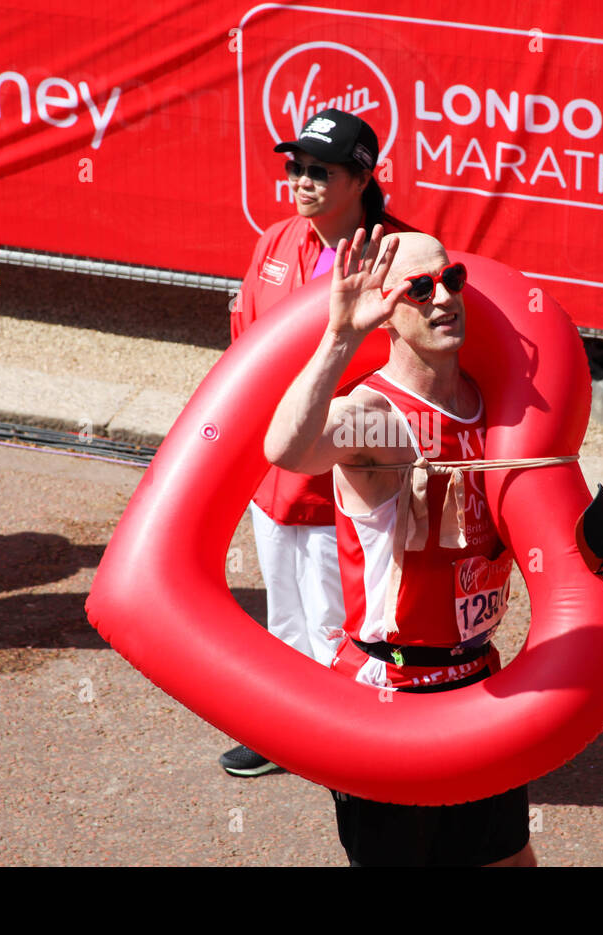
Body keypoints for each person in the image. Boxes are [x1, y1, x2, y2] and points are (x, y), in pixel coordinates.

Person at [264, 228, 603, 866]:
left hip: (476, 682)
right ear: (388, 308)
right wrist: (339, 335)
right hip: (391, 697)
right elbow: (287, 449)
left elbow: (537, 538)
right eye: (419, 288)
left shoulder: (495, 410)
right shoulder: (379, 417)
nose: (443, 298)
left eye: (452, 280)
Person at [221, 108, 411, 777]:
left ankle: (348, 748)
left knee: (344, 628)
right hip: (273, 476)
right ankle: (285, 735)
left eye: (320, 171)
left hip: (346, 484)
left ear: (362, 178)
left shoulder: (398, 254)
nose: (302, 180)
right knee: (285, 621)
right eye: (295, 167)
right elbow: (244, 345)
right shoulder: (275, 240)